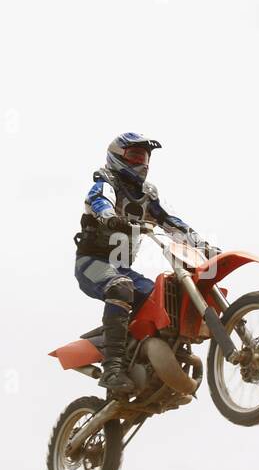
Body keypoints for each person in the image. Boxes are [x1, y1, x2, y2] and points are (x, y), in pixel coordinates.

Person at [74, 132, 200, 395]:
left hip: (121, 267)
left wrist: (200, 243)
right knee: (121, 287)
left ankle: (144, 360)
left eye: (144, 157)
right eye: (134, 156)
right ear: (118, 157)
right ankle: (112, 369)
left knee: (162, 299)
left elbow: (170, 220)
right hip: (92, 263)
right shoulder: (105, 180)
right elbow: (99, 200)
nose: (141, 163)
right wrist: (109, 216)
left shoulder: (146, 195)